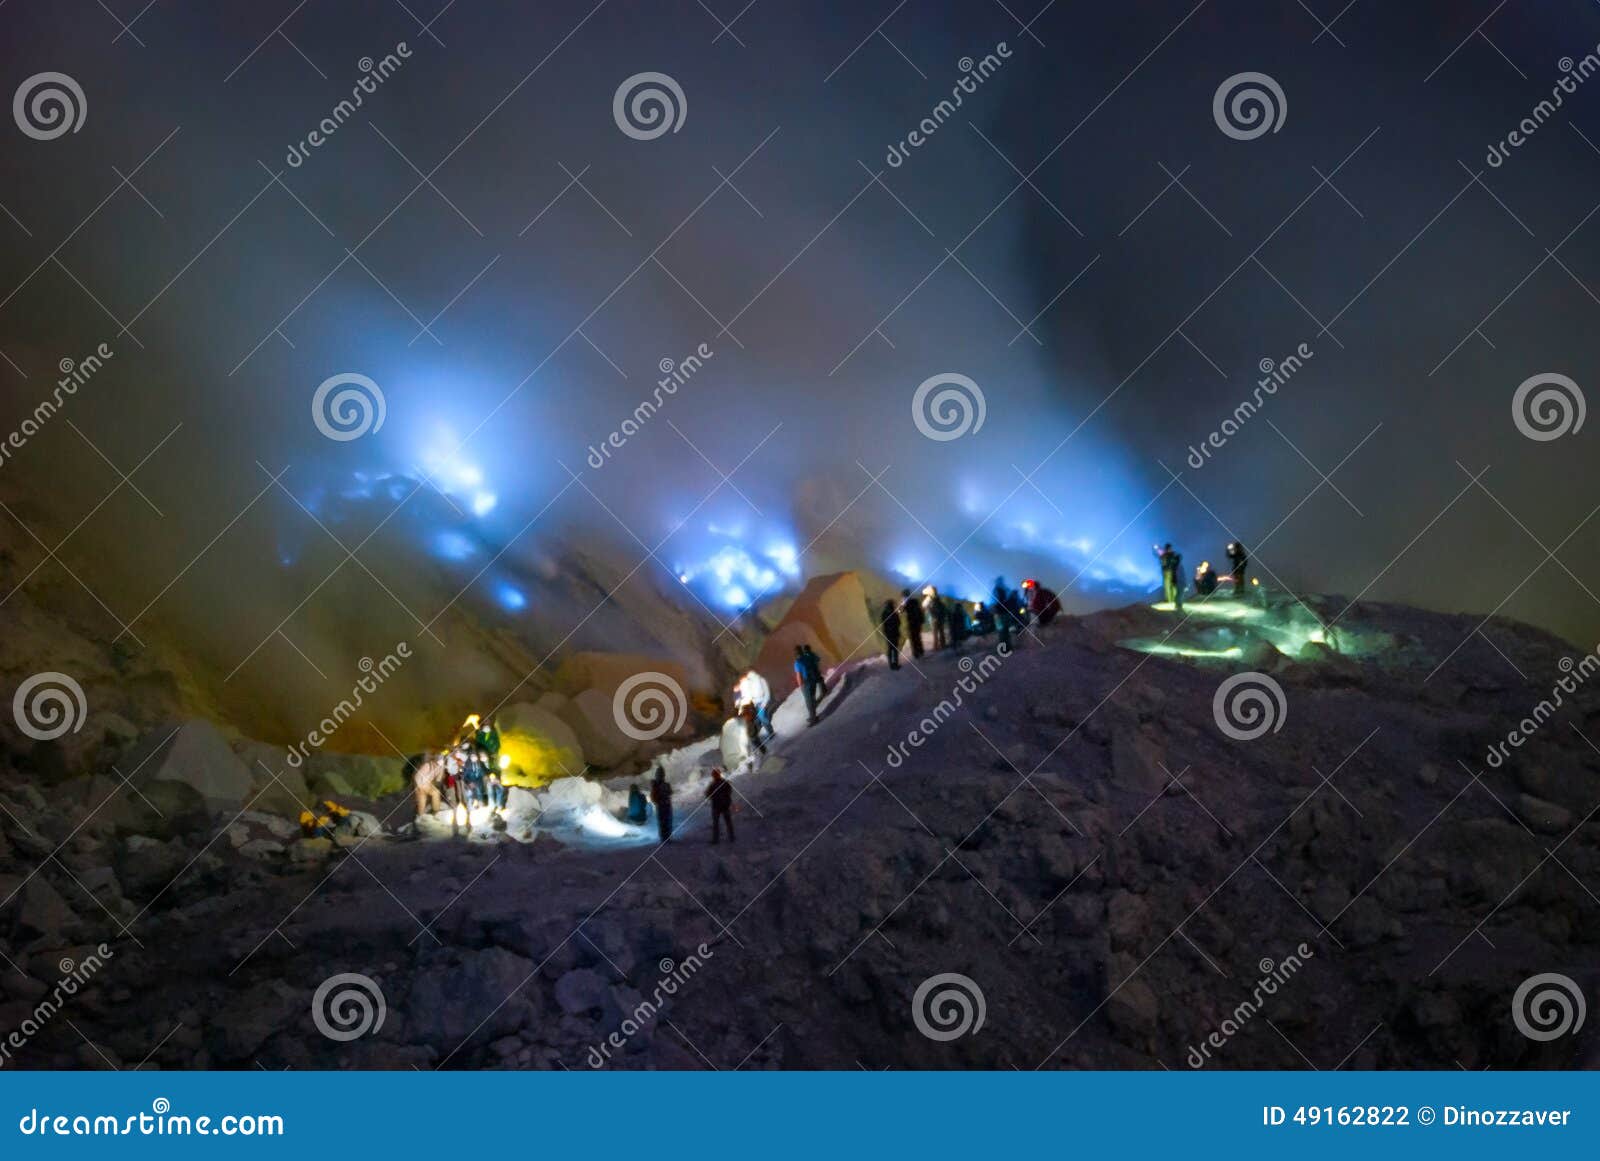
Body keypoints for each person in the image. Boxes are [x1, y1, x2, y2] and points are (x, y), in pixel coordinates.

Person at [736, 668, 774, 742]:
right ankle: (765, 732)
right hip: (754, 704)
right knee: (758, 719)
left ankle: (770, 732)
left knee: (762, 717)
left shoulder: (760, 680)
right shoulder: (749, 682)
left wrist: (764, 703)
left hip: (761, 702)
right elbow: (747, 694)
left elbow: (767, 693)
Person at [706, 767, 735, 844]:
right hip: (724, 805)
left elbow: (708, 794)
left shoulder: (713, 784)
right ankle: (731, 837)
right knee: (727, 822)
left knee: (717, 823)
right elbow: (729, 792)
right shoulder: (724, 783)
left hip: (717, 806)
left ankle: (716, 839)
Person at [1154, 543, 1184, 611]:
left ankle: (1173, 599)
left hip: (1170, 571)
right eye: (1168, 548)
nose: (1169, 549)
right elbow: (1159, 555)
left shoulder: (1171, 554)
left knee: (1171, 585)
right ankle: (1170, 599)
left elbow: (1178, 558)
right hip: (1167, 571)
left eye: (1169, 548)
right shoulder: (1166, 554)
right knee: (1168, 585)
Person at [649, 767, 673, 841]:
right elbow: (670, 792)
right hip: (665, 804)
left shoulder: (655, 785)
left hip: (661, 805)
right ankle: (666, 837)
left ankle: (664, 837)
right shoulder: (662, 785)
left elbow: (653, 796)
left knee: (663, 821)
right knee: (666, 821)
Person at [902, 587, 925, 658]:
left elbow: (902, 611)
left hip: (912, 623)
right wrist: (921, 621)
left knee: (913, 638)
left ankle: (916, 653)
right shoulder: (915, 601)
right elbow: (920, 611)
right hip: (917, 622)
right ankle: (920, 651)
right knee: (918, 637)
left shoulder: (907, 603)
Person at [880, 598, 902, 669]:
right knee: (895, 650)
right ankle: (895, 664)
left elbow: (883, 623)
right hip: (895, 633)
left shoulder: (884, 614)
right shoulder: (894, 614)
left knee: (890, 649)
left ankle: (891, 665)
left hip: (888, 634)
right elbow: (899, 623)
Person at [992, 578, 1013, 649]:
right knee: (1003, 631)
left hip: (1002, 613)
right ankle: (1006, 647)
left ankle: (1006, 647)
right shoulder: (999, 590)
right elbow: (996, 601)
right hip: (1001, 613)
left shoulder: (1000, 590)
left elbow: (996, 601)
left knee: (1004, 631)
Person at [925, 586, 948, 650]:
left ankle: (936, 646)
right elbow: (943, 608)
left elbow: (930, 609)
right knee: (941, 632)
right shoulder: (939, 599)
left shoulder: (932, 600)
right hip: (940, 618)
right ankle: (942, 645)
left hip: (935, 619)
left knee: (935, 633)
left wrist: (929, 609)